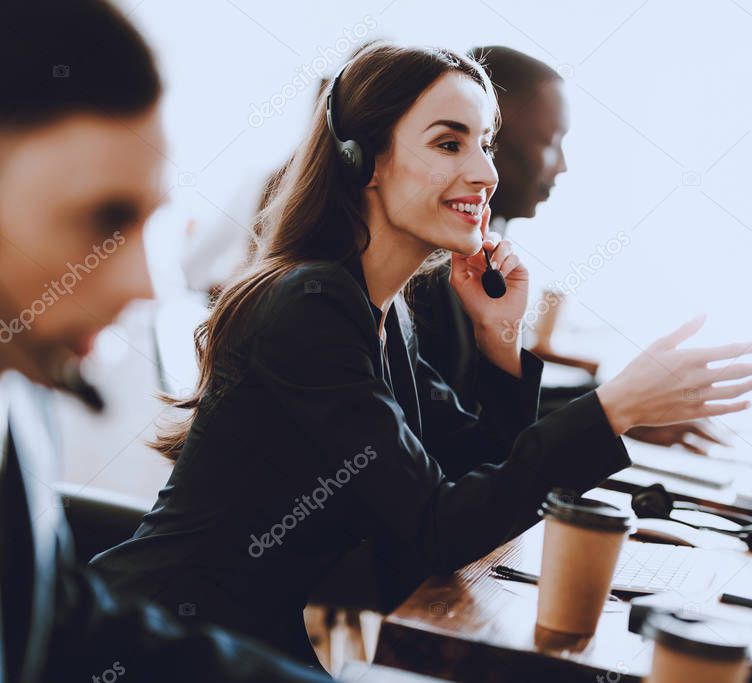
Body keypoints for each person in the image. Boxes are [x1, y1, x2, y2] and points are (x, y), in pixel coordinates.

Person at [89, 41, 752, 669]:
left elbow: (478, 477)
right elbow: (436, 527)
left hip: (266, 640)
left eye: (486, 144)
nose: (484, 171)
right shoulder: (309, 307)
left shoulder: (384, 313)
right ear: (363, 160)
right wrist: (613, 409)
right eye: (449, 143)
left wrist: (499, 339)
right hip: (170, 645)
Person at [0, 3, 430, 681]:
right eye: (105, 219)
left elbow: (57, 622)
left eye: (151, 221)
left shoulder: (19, 397)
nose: (147, 284)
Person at [409, 46, 724, 453]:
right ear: (498, 141)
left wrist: (618, 404)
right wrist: (614, 409)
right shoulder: (431, 271)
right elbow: (460, 437)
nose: (562, 166)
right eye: (550, 142)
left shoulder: (482, 255)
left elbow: (487, 416)